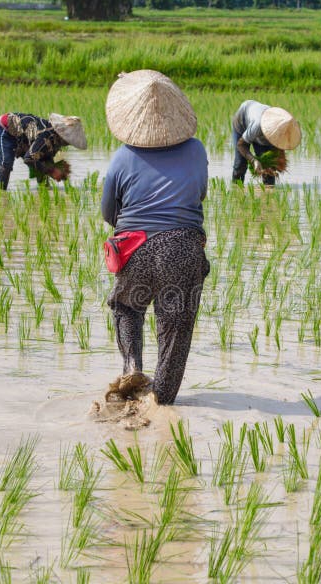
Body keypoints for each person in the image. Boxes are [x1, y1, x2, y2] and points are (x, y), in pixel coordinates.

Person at [101, 69, 210, 406]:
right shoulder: (196, 150)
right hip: (183, 248)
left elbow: (108, 212)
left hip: (135, 247)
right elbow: (199, 194)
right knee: (175, 329)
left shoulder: (122, 157)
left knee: (126, 307)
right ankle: (160, 402)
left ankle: (132, 366)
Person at [0, 112, 87, 190]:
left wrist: (60, 167)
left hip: (23, 135)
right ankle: (2, 194)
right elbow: (29, 159)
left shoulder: (56, 139)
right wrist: (52, 171)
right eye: (68, 141)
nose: (68, 144)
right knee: (7, 164)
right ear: (63, 136)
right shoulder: (46, 136)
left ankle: (45, 189)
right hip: (5, 128)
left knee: (43, 160)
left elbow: (52, 157)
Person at [231, 100, 302, 186]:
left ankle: (269, 191)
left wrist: (277, 162)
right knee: (240, 164)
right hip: (242, 122)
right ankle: (236, 189)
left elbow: (278, 148)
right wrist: (254, 161)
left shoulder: (282, 129)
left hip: (258, 130)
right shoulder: (258, 125)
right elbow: (241, 145)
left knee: (268, 166)